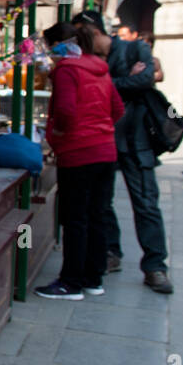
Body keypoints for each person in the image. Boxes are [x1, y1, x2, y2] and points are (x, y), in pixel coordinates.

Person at [74, 10, 174, 294]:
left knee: (145, 203)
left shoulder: (134, 48)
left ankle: (155, 266)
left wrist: (102, 84)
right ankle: (111, 252)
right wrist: (118, 83)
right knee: (102, 203)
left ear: (93, 32)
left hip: (135, 139)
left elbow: (144, 81)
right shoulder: (93, 59)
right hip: (103, 140)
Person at [33, 22, 123, 300]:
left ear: (60, 44)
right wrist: (99, 129)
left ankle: (70, 282)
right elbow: (117, 109)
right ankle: (93, 278)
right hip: (105, 151)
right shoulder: (98, 67)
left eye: (48, 47)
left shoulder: (67, 70)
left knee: (75, 219)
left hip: (78, 154)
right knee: (97, 215)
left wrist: (59, 138)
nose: (48, 53)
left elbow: (66, 111)